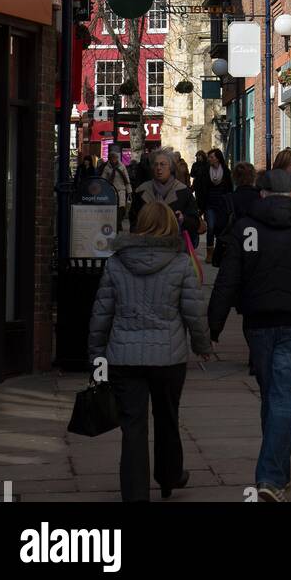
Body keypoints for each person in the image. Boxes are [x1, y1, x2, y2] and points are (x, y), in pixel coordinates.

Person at [207, 168, 291, 503]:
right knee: (283, 398)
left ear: (262, 194)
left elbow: (228, 278)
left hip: (259, 322)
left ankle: (274, 474)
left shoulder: (246, 227)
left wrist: (214, 324)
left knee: (274, 396)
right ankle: (273, 475)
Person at [87, 202, 212, 503]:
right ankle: (169, 475)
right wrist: (202, 345)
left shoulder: (116, 263)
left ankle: (135, 494)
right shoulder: (181, 264)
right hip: (168, 357)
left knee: (133, 427)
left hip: (124, 357)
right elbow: (194, 313)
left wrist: (95, 354)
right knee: (167, 417)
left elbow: (101, 314)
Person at [130, 149, 201, 246]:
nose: (159, 168)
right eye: (156, 164)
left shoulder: (183, 192)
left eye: (163, 164)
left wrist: (183, 219)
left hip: (175, 248)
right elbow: (133, 221)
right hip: (147, 247)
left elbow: (195, 222)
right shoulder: (141, 191)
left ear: (170, 168)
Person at [195, 148, 233, 261]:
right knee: (210, 227)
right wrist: (201, 205)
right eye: (209, 157)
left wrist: (229, 204)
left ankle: (220, 251)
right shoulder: (205, 171)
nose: (210, 159)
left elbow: (229, 189)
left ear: (218, 158)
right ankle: (209, 253)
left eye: (212, 157)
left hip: (221, 204)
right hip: (209, 204)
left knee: (221, 227)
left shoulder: (226, 171)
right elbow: (200, 189)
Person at [102, 147, 133, 230]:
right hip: (111, 192)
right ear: (109, 159)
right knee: (112, 210)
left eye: (115, 158)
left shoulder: (122, 167)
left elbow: (127, 179)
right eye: (112, 158)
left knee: (120, 210)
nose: (113, 160)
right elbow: (103, 180)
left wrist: (129, 192)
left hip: (121, 191)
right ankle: (114, 226)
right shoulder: (107, 168)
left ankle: (118, 226)